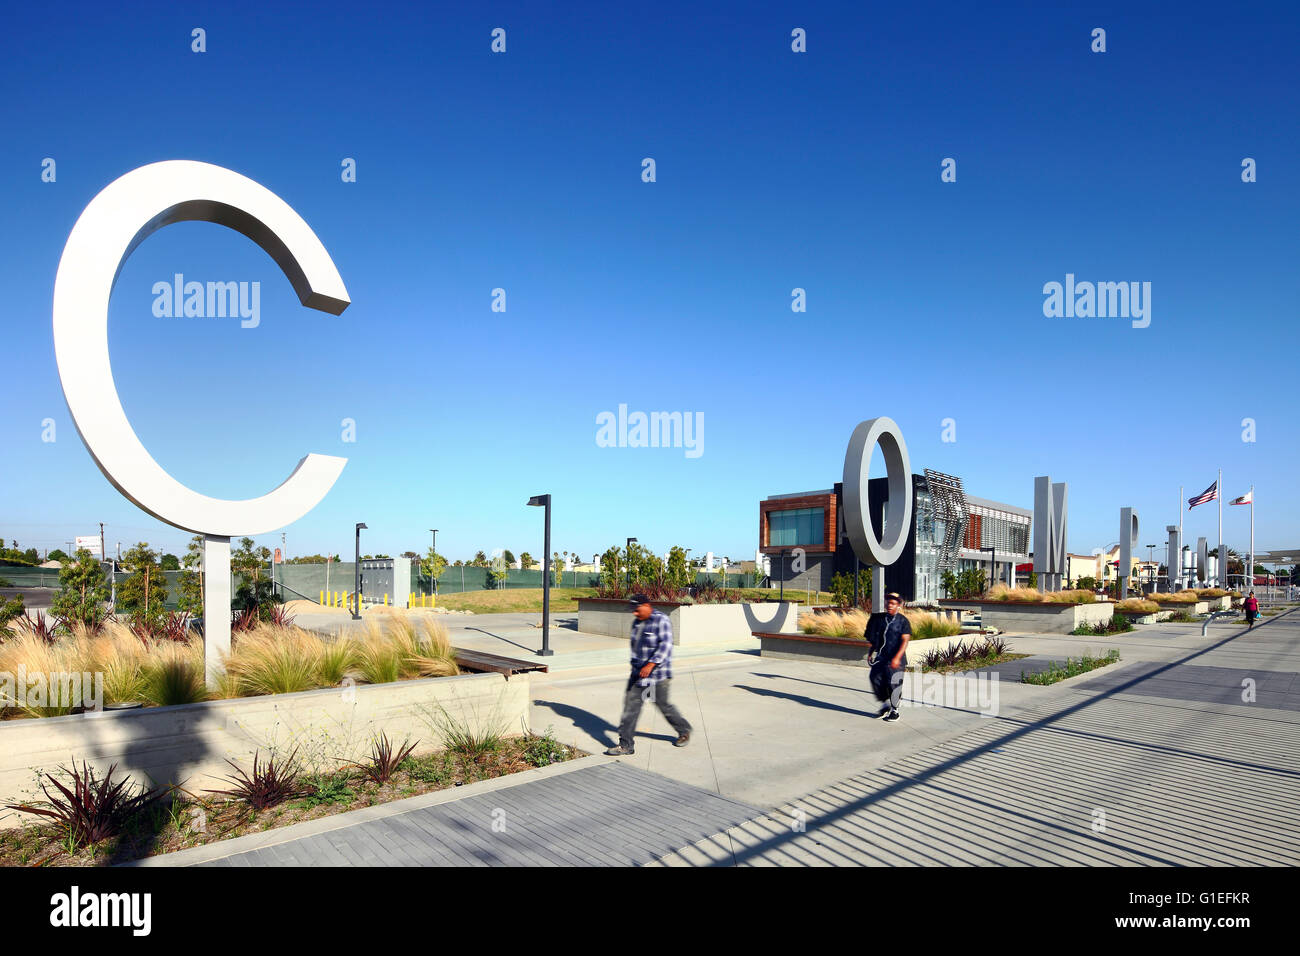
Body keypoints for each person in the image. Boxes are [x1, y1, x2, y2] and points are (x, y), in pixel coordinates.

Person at [605, 594, 692, 755]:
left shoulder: (661, 620)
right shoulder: (637, 623)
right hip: (638, 675)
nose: (635, 614)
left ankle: (684, 729)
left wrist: (651, 664)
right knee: (631, 708)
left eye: (637, 610)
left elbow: (665, 646)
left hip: (658, 676)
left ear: (646, 606)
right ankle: (626, 745)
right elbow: (635, 648)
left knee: (663, 705)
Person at [866, 592, 912, 722]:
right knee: (874, 678)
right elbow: (878, 639)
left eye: (893, 603)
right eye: (888, 602)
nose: (889, 605)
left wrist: (897, 658)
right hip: (882, 657)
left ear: (898, 605)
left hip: (896, 658)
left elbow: (905, 641)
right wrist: (871, 651)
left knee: (894, 684)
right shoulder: (882, 620)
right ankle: (886, 705)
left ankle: (895, 710)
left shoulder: (903, 621)